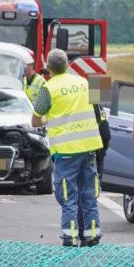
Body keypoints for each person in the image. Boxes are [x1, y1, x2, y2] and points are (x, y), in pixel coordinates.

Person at [29, 50, 109, 247]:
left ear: (48, 68)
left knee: (68, 197)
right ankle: (92, 235)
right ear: (67, 66)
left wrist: (49, 118)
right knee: (89, 194)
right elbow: (101, 113)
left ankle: (70, 238)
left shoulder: (49, 88)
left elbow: (34, 120)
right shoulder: (85, 83)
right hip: (90, 147)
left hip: (66, 151)